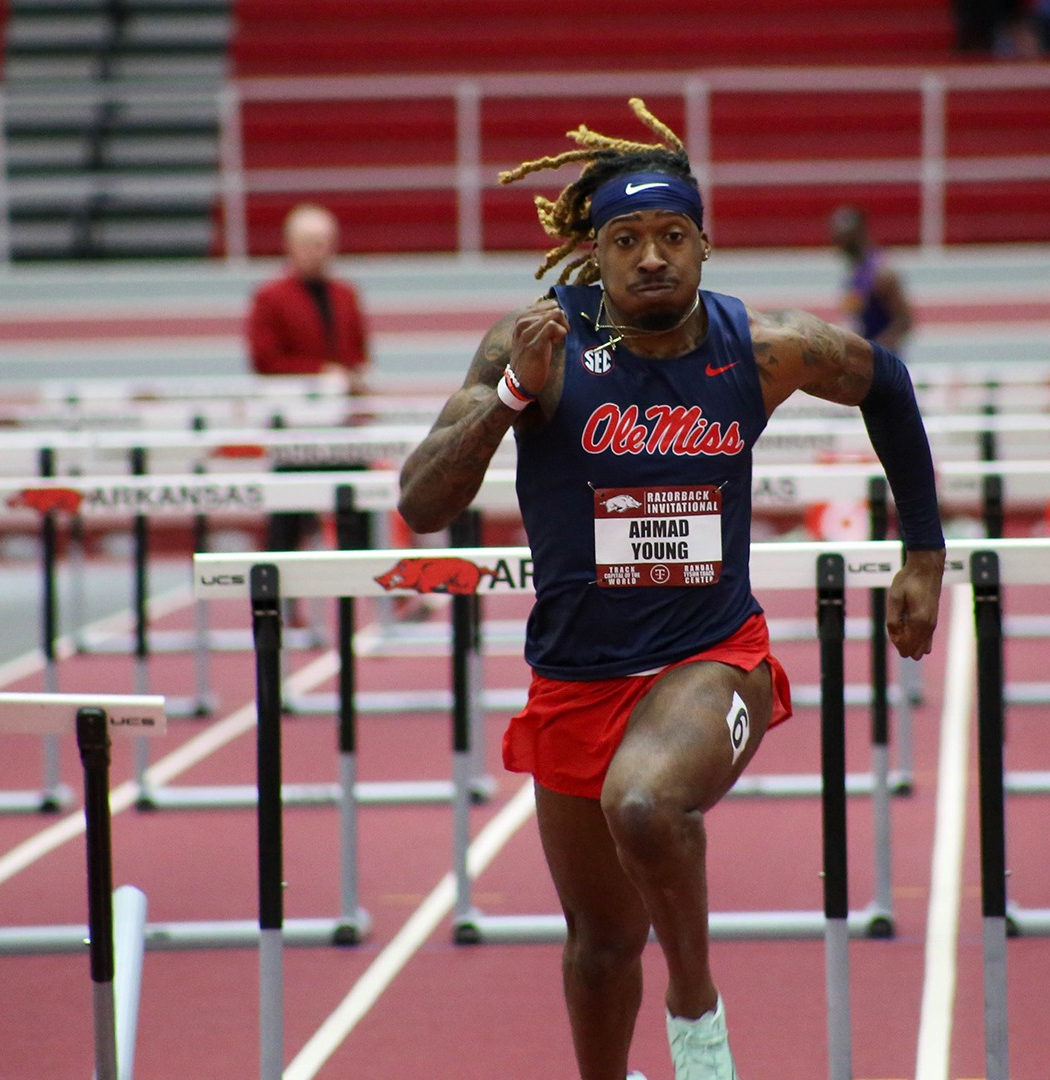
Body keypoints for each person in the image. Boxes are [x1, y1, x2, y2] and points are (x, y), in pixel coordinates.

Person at [398, 99, 946, 1080]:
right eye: (626, 240)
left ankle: (700, 1037)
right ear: (593, 257)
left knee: (647, 806)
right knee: (600, 947)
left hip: (711, 661)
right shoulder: (537, 343)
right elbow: (422, 503)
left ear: (703, 244)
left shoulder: (760, 347)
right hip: (575, 678)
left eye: (672, 236)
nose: (652, 257)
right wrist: (514, 398)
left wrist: (924, 556)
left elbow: (888, 382)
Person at [246, 201, 372, 560]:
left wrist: (358, 381)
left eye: (325, 243)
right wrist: (320, 373)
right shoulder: (270, 298)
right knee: (287, 524)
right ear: (290, 245)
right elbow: (264, 359)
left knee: (357, 511)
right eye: (311, 243)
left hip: (342, 427)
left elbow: (358, 353)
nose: (320, 252)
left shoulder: (346, 295)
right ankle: (279, 605)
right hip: (295, 427)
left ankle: (364, 596)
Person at [829, 205, 914, 355]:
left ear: (860, 234)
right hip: (868, 354)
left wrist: (878, 351)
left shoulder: (882, 275)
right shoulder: (855, 272)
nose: (840, 245)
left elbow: (904, 321)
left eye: (846, 240)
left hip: (884, 359)